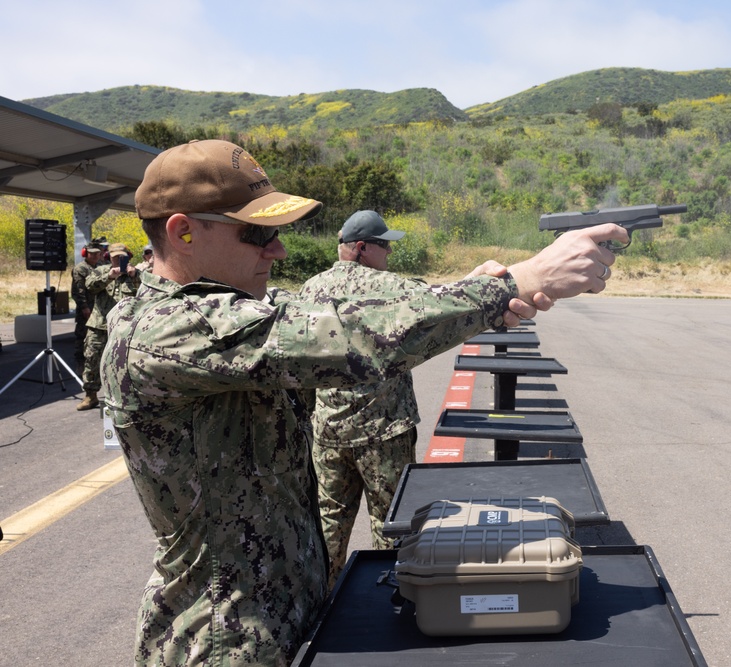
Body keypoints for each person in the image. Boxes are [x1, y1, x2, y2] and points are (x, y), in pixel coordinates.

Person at [102, 139, 623, 666]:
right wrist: (520, 280)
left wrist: (462, 292)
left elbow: (354, 305)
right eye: (257, 234)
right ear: (183, 231)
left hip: (285, 613)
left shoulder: (233, 309)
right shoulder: (162, 330)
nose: (277, 251)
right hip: (224, 641)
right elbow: (349, 335)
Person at [299, 211, 437, 585]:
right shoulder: (389, 286)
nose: (389, 252)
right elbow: (437, 307)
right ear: (362, 248)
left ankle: (320, 605)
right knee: (392, 521)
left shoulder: (310, 288)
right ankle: (385, 604)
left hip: (329, 432)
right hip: (384, 431)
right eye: (384, 245)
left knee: (328, 522)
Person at [76, 242, 140, 410]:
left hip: (125, 327)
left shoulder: (136, 274)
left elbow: (147, 293)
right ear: (108, 258)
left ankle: (126, 398)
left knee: (126, 363)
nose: (118, 260)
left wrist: (135, 276)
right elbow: (90, 286)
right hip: (100, 325)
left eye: (122, 257)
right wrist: (109, 277)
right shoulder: (100, 271)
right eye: (115, 257)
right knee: (92, 358)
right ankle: (90, 395)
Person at [70, 241, 104, 373]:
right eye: (92, 254)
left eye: (97, 253)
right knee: (82, 335)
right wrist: (84, 307)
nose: (95, 256)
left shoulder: (101, 266)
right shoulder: (80, 269)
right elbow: (78, 291)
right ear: (85, 253)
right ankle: (80, 363)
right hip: (87, 308)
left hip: (100, 307)